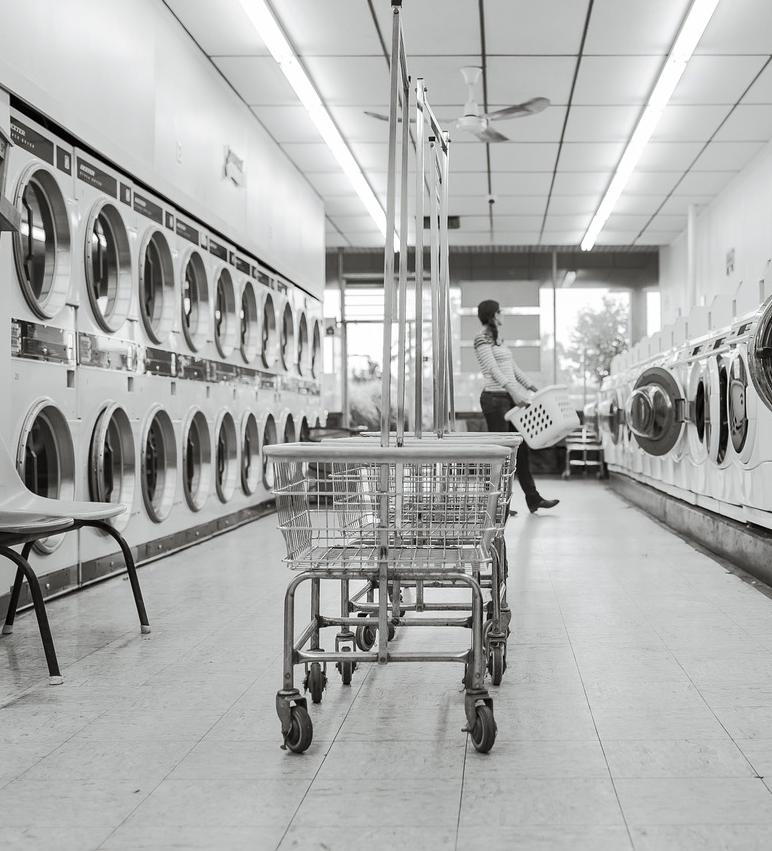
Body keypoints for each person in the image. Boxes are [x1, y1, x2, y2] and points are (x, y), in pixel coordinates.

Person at [474, 299, 559, 514]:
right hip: (494, 399)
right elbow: (493, 369)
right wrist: (514, 392)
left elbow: (514, 370)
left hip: (509, 399)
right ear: (494, 315)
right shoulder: (481, 339)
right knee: (501, 455)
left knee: (521, 451)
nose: (502, 314)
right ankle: (496, 505)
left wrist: (535, 388)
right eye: (500, 311)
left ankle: (533, 499)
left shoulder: (499, 340)